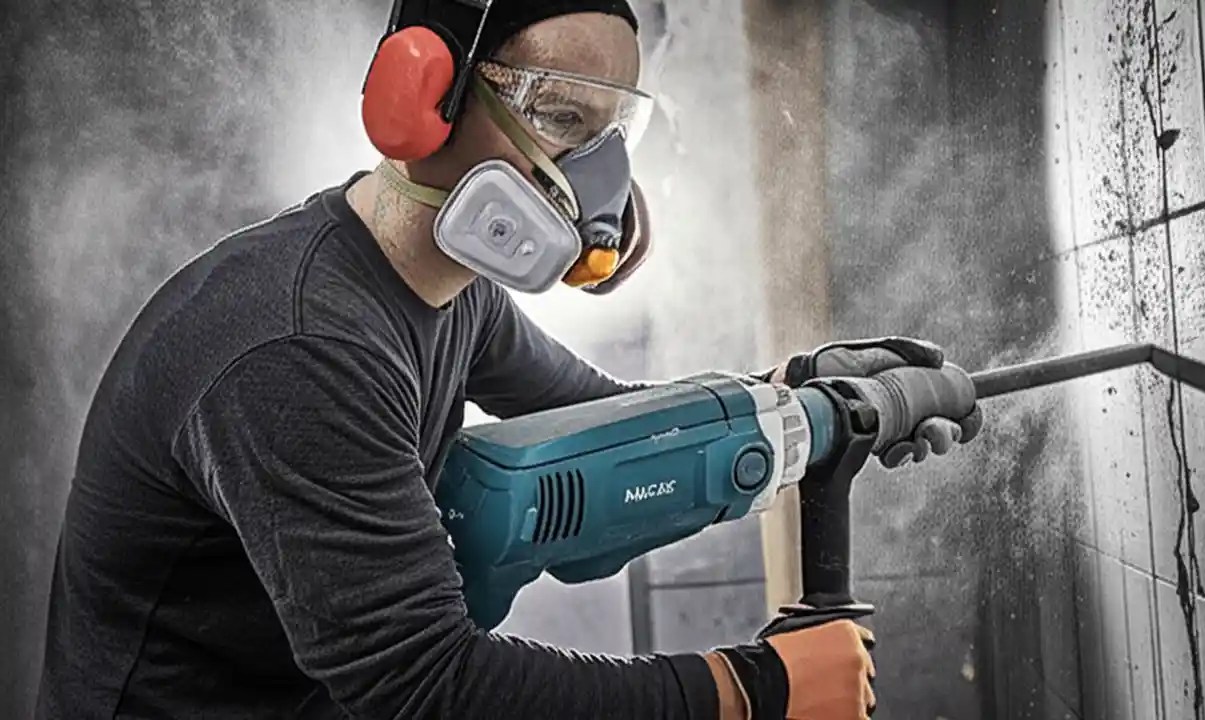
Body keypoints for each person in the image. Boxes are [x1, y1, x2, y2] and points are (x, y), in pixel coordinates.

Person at [36, 2, 981, 719]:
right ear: (424, 100)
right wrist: (745, 690)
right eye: (563, 120)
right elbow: (425, 685)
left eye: (613, 135)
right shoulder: (298, 346)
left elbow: (611, 421)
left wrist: (806, 398)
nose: (595, 180)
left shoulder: (454, 293)